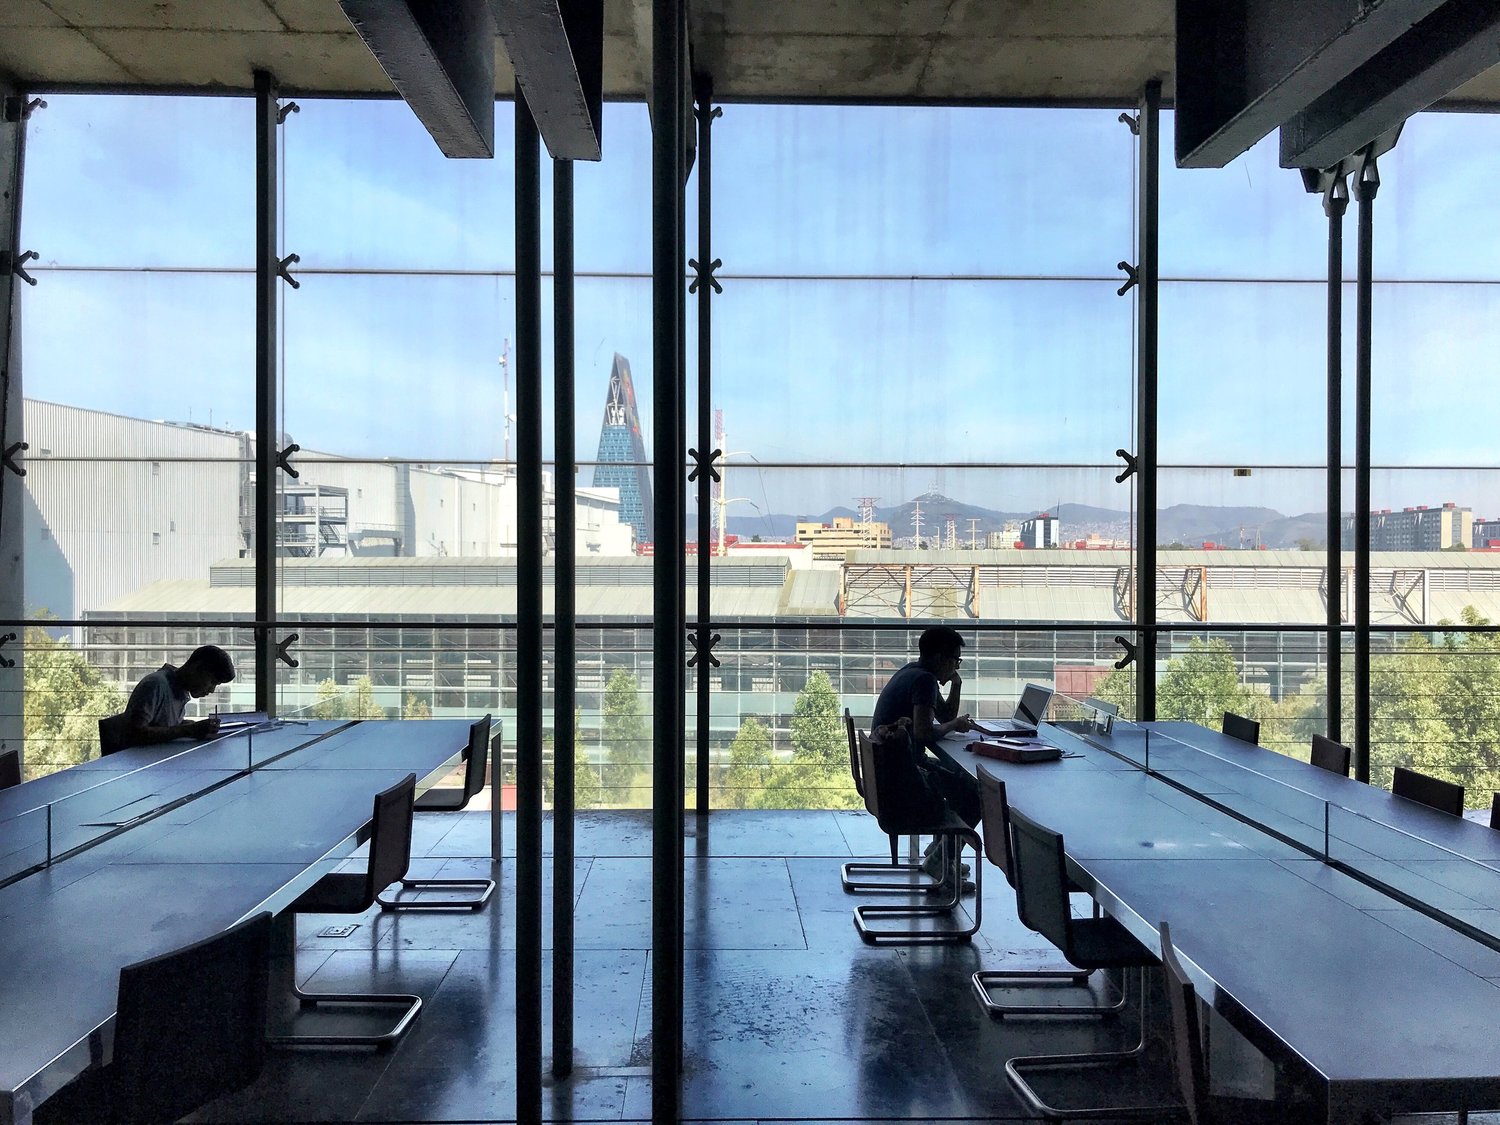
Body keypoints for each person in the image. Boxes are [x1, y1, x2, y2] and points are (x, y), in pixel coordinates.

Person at [871, 625, 982, 891]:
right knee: (976, 794)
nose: (957, 665)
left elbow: (943, 716)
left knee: (958, 783)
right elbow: (923, 734)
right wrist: (954, 725)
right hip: (903, 780)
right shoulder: (924, 681)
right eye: (955, 659)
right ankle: (942, 857)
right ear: (940, 658)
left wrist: (956, 683)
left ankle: (942, 851)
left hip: (889, 773)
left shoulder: (914, 672)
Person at [114, 645, 237, 749]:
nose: (212, 690)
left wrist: (187, 725)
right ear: (197, 668)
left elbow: (161, 724)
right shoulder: (155, 685)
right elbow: (134, 733)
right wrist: (188, 730)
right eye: (212, 682)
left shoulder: (178, 689)